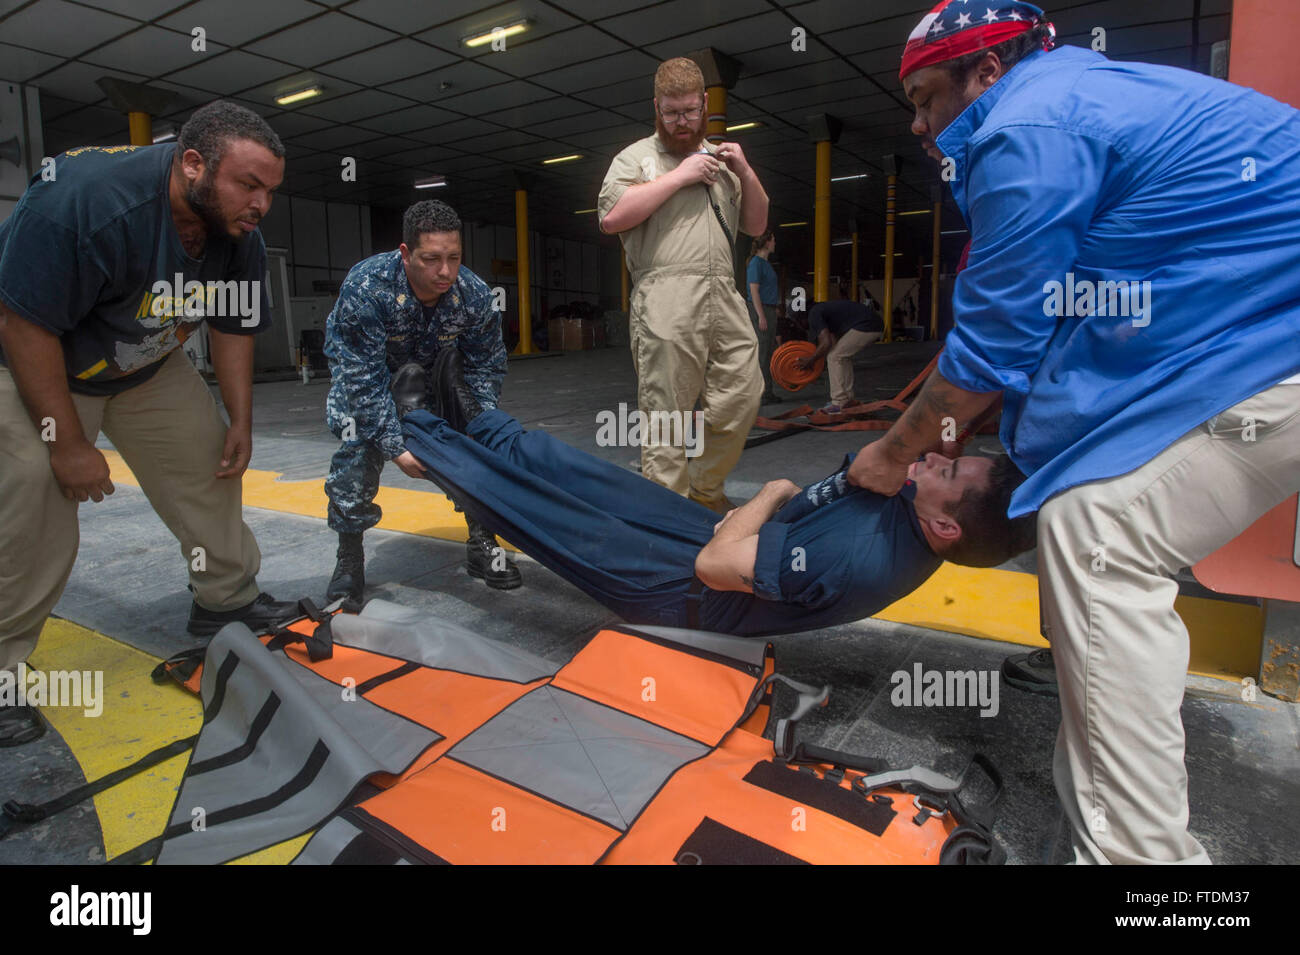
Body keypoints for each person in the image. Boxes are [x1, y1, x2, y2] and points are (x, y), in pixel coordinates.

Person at [847, 0, 1300, 864]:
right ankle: (1098, 825)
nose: (916, 122)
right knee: (1088, 543)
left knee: (1098, 532)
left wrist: (888, 454)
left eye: (925, 96)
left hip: (1278, 350)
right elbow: (1052, 326)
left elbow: (990, 352)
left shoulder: (1027, 125)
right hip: (1261, 336)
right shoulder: (1075, 100)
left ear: (986, 71)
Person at [0, 101, 300, 746]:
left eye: (270, 190)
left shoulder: (236, 230)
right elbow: (24, 325)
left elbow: (230, 324)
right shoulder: (82, 202)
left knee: (209, 463)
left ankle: (225, 598)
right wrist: (68, 442)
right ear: (193, 163)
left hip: (143, 361)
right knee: (34, 499)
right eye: (249, 185)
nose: (261, 204)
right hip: (42, 358)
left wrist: (239, 418)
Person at [388, 352, 1036, 638]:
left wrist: (776, 488)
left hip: (679, 587)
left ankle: (428, 435)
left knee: (543, 513)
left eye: (947, 474)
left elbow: (716, 565)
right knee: (578, 472)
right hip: (712, 536)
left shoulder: (862, 556)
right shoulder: (910, 504)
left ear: (947, 529)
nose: (933, 460)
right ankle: (481, 426)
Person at [323, 199, 522, 602]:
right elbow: (360, 378)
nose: (446, 271)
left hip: (437, 383)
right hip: (373, 380)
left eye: (454, 257)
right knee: (358, 447)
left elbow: (485, 368)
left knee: (477, 442)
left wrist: (475, 423)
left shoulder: (474, 294)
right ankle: (349, 557)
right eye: (431, 259)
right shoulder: (368, 287)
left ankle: (482, 542)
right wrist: (396, 448)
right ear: (405, 253)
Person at [598, 57, 770, 514]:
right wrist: (680, 176)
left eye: (691, 111)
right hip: (665, 293)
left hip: (724, 293)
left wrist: (745, 171)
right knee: (667, 416)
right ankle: (668, 517)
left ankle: (705, 489)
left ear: (705, 105)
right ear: (656, 106)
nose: (681, 121)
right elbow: (612, 217)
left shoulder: (722, 161)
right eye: (672, 112)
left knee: (744, 393)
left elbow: (756, 223)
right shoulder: (637, 159)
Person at [797, 282, 884, 413]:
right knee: (841, 356)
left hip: (867, 325)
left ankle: (838, 402)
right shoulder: (822, 310)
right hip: (874, 323)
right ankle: (847, 399)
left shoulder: (813, 314)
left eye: (799, 323)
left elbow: (825, 343)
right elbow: (831, 343)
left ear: (802, 317)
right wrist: (817, 366)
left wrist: (811, 361)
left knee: (834, 356)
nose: (802, 326)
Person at [746, 231, 780, 403]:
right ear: (767, 243)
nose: (775, 243)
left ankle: (767, 392)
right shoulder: (756, 263)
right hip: (761, 309)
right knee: (762, 351)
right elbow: (754, 291)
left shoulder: (766, 264)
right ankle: (761, 394)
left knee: (768, 351)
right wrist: (761, 316)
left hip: (769, 309)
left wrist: (773, 309)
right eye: (773, 240)